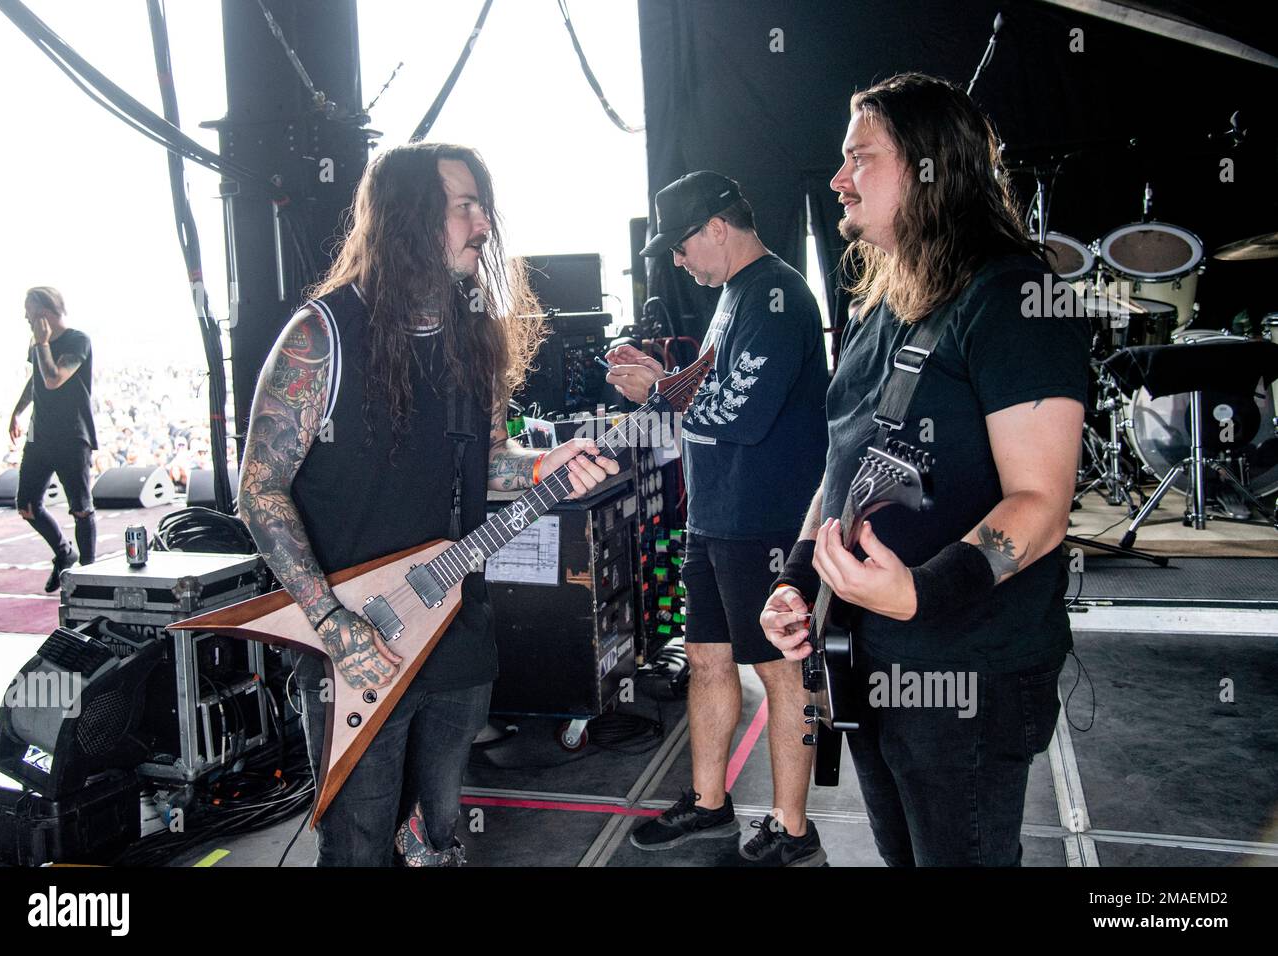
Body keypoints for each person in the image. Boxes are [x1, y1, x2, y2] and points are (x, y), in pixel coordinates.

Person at [238, 143, 618, 867]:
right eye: (464, 206)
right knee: (358, 843)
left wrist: (545, 464)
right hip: (358, 638)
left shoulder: (473, 336)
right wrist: (332, 623)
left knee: (435, 833)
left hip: (457, 630)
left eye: (483, 206)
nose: (483, 223)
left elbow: (485, 461)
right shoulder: (322, 336)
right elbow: (258, 488)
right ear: (409, 216)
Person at [760, 73, 1089, 866]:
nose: (838, 180)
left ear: (930, 165)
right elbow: (846, 468)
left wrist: (922, 591)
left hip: (968, 671)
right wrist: (798, 581)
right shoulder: (880, 306)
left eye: (861, 158)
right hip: (871, 661)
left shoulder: (1013, 295)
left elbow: (1041, 503)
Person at [607, 171, 830, 866]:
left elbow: (741, 413)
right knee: (706, 658)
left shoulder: (777, 296)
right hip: (715, 515)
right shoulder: (736, 293)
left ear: (716, 228)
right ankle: (709, 804)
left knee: (779, 672)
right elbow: (712, 384)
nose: (678, 261)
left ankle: (793, 830)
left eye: (680, 246)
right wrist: (661, 375)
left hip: (763, 522)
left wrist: (659, 388)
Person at [8, 287, 98, 591]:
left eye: (29, 311)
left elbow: (53, 378)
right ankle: (64, 553)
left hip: (72, 436)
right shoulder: (37, 343)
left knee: (81, 508)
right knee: (27, 505)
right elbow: (37, 378)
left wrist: (43, 343)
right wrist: (18, 411)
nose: (25, 316)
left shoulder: (77, 340)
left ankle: (89, 575)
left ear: (44, 312)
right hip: (40, 436)